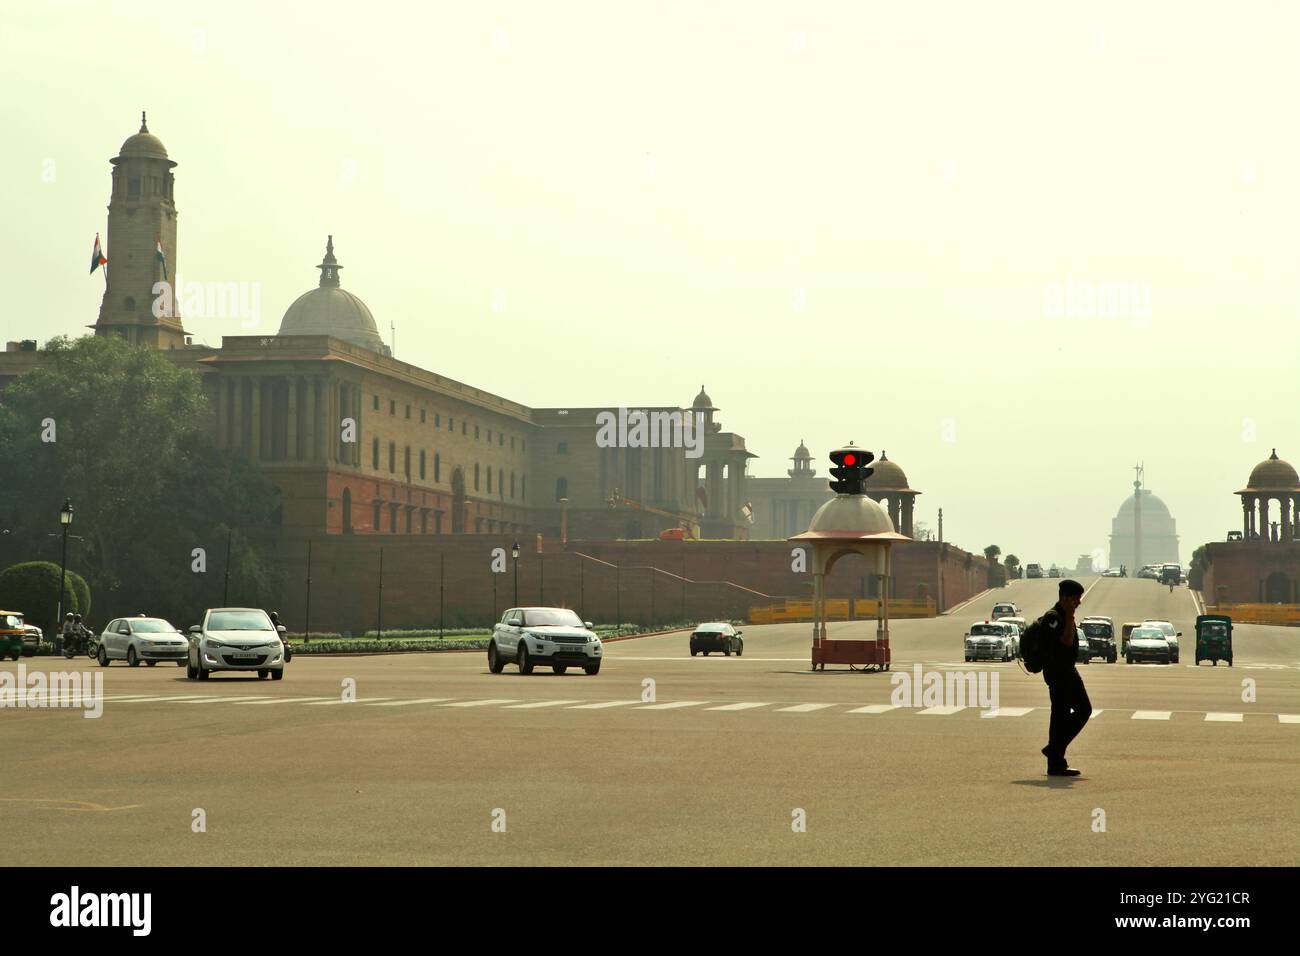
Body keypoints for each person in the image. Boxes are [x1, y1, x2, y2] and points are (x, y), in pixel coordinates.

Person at [1039, 579, 1092, 776]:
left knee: (1061, 716)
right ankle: (1054, 752)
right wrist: (1070, 618)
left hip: (1066, 671)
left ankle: (1055, 760)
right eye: (1076, 598)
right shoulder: (1054, 617)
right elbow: (1067, 643)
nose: (1078, 602)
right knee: (1082, 710)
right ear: (1065, 598)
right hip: (1059, 673)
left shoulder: (1062, 615)